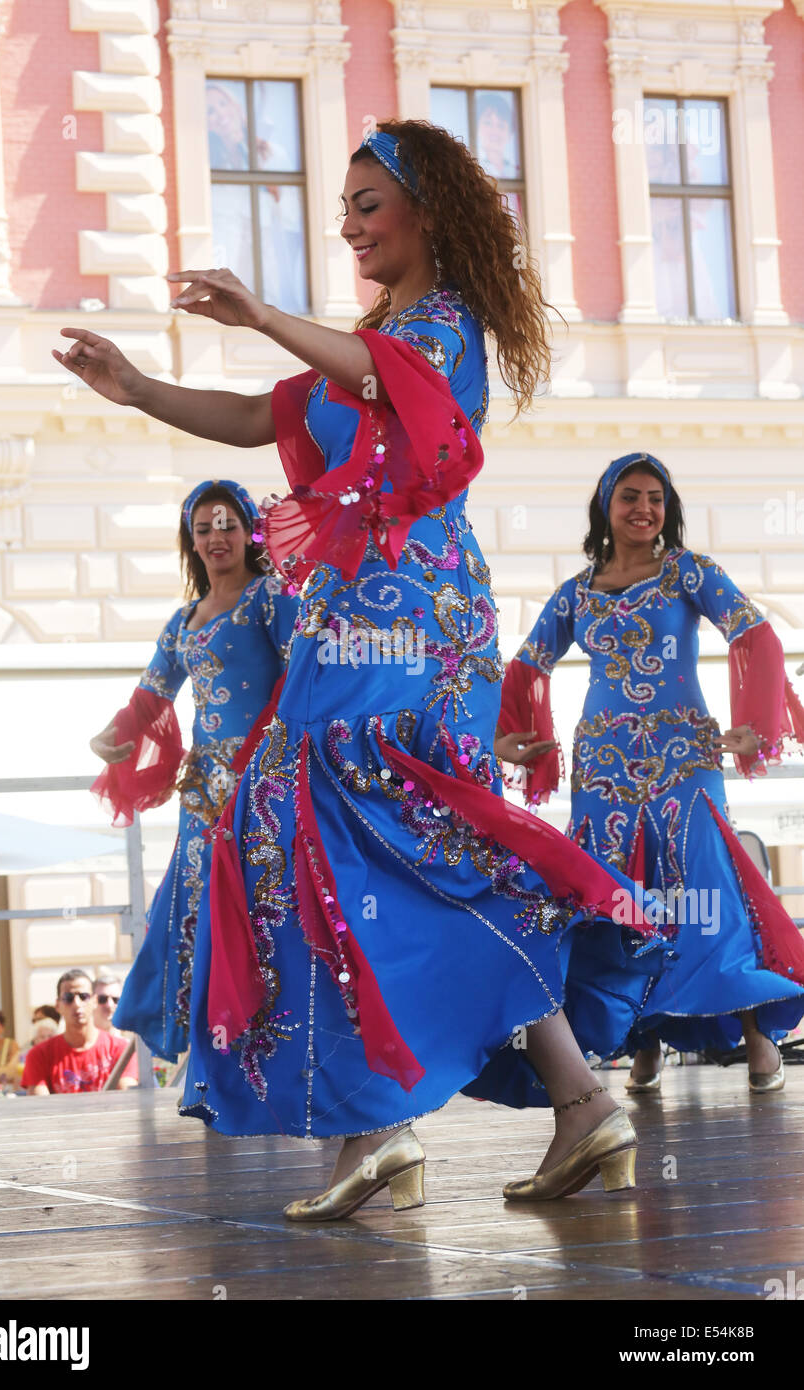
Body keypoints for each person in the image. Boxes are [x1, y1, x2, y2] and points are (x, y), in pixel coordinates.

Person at [53, 119, 669, 1215]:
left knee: (351, 824)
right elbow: (257, 414)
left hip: (414, 622)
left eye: (365, 204)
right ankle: (533, 1107)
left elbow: (380, 375)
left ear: (427, 212)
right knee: (363, 842)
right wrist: (139, 387)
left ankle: (413, 1121)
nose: (345, 224)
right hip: (343, 624)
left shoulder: (439, 327)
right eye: (341, 207)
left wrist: (262, 315)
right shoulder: (369, 338)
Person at [498, 452, 804, 1094]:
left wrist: (754, 718)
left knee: (706, 890)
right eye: (629, 497)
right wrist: (513, 740)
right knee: (618, 902)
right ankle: (644, 1042)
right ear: (605, 508)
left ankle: (756, 1036)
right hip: (602, 771)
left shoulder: (687, 572)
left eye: (655, 498)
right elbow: (526, 664)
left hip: (684, 758)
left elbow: (755, 633)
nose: (644, 509)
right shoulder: (576, 592)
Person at [88, 482, 300, 1062]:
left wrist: (269, 755)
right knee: (198, 905)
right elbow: (150, 697)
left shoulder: (272, 596)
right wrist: (113, 737)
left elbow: (299, 680)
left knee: (264, 903)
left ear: (251, 532)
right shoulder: (184, 620)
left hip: (264, 783)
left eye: (227, 524)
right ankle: (217, 1050)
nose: (215, 537)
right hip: (203, 793)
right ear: (191, 540)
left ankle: (276, 1044)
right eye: (203, 528)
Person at [22, 970, 138, 1094]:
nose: (77, 1004)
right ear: (58, 1005)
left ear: (94, 1001)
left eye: (84, 997)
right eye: (68, 998)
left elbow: (127, 1099)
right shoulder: (39, 1055)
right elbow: (41, 1107)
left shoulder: (121, 1050)